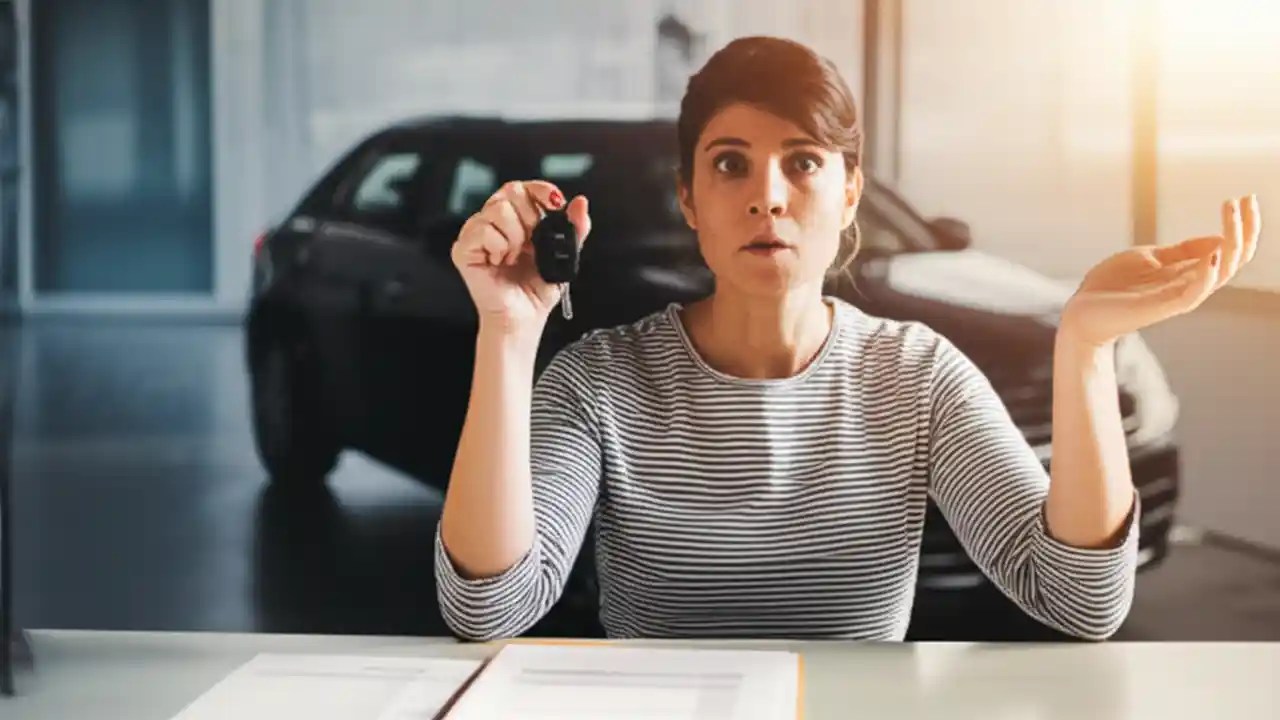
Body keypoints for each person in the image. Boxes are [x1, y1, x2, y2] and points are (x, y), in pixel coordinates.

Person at [434, 36, 1262, 642]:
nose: (769, 198)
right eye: (730, 165)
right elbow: (488, 608)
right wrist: (509, 334)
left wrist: (1084, 346)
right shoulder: (598, 383)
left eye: (803, 162)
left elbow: (1078, 599)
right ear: (688, 197)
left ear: (850, 191)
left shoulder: (919, 374)